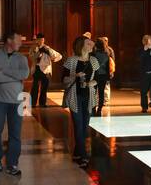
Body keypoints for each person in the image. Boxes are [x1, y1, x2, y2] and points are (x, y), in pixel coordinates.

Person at [0, 32, 30, 175]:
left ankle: (12, 163)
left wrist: (4, 71)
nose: (21, 43)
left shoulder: (22, 58)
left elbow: (24, 75)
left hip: (18, 100)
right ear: (9, 40)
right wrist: (14, 77)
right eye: (18, 40)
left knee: (15, 133)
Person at [62, 35, 99, 168]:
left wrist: (92, 83)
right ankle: (83, 157)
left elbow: (101, 79)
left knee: (84, 126)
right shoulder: (71, 61)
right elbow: (64, 80)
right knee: (78, 126)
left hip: (89, 96)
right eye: (88, 44)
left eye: (91, 44)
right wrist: (74, 76)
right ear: (81, 46)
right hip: (75, 96)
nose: (91, 46)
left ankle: (77, 152)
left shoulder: (94, 61)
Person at [29, 33, 62, 108]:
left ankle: (42, 103)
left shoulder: (47, 48)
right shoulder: (33, 48)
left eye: (42, 40)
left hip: (46, 70)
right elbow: (31, 57)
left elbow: (58, 56)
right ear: (37, 40)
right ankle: (33, 103)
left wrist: (50, 54)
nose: (41, 41)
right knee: (35, 87)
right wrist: (39, 52)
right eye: (39, 40)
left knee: (44, 88)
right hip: (37, 69)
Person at [92, 36, 115, 116]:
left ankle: (93, 108)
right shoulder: (107, 54)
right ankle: (99, 109)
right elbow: (108, 66)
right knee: (101, 93)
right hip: (103, 76)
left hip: (95, 76)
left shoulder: (93, 54)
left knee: (93, 93)